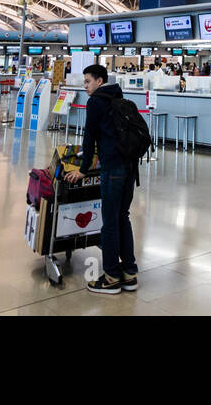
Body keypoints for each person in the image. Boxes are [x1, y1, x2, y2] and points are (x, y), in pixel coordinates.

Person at [63, 64, 138, 295]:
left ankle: (112, 277)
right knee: (122, 217)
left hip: (113, 168)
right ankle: (130, 273)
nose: (85, 86)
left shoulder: (96, 101)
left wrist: (83, 170)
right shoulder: (119, 97)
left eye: (88, 81)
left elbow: (89, 137)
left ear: (99, 80)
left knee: (109, 223)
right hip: (129, 167)